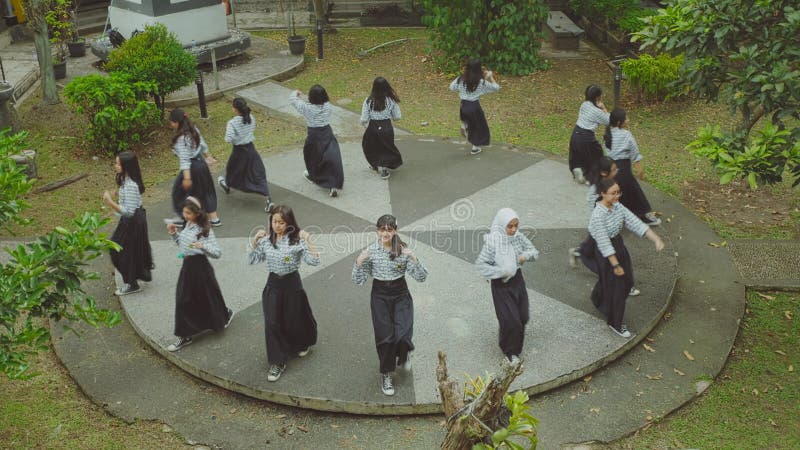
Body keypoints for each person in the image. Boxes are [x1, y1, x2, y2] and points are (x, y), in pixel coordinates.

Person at [352, 214, 427, 396]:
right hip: (380, 295)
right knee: (385, 337)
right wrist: (358, 262)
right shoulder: (370, 251)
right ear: (377, 231)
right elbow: (358, 280)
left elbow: (422, 277)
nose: (385, 233)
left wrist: (414, 258)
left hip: (400, 293)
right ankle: (386, 373)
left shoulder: (402, 250)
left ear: (395, 231)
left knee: (403, 333)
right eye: (382, 229)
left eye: (389, 229)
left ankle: (403, 354)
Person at [248, 205, 320, 382]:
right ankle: (277, 362)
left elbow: (314, 261)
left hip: (292, 284)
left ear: (289, 223)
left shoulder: (296, 240)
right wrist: (255, 241)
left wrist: (309, 241)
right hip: (273, 284)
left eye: (281, 222)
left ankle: (302, 342)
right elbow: (253, 259)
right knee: (272, 322)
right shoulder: (267, 240)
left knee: (294, 319)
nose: (277, 225)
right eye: (274, 221)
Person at [588, 178, 664, 338]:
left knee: (627, 280)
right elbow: (603, 243)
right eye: (613, 193)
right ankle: (615, 323)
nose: (617, 196)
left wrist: (655, 238)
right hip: (605, 251)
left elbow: (635, 222)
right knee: (618, 287)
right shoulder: (597, 215)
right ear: (602, 194)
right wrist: (615, 265)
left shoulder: (617, 206)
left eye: (618, 192)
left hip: (618, 244)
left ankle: (598, 297)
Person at [165, 197, 233, 351]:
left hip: (200, 267)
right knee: (183, 299)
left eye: (188, 212)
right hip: (187, 266)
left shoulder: (205, 230)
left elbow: (217, 253)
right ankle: (185, 335)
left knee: (207, 296)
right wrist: (174, 234)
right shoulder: (187, 225)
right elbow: (182, 246)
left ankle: (223, 315)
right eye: (184, 212)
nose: (184, 215)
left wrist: (203, 246)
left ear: (196, 213)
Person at [475, 208, 539, 364]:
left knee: (523, 316)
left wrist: (525, 256)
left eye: (516, 225)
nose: (513, 229)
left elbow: (534, 251)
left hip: (517, 280)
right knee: (511, 320)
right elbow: (481, 265)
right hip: (501, 284)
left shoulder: (518, 237)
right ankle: (511, 352)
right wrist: (500, 271)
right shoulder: (493, 242)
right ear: (502, 225)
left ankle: (509, 336)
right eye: (509, 226)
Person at [103, 151, 153, 296]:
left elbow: (129, 211)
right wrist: (117, 194)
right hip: (130, 221)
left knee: (121, 251)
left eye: (118, 163)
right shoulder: (125, 179)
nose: (115, 166)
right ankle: (133, 280)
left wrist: (110, 203)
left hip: (132, 223)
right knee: (125, 251)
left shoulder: (131, 184)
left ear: (127, 166)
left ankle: (132, 284)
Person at [604, 108, 661, 226]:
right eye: (626, 118)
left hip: (611, 169)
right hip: (623, 169)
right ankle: (644, 216)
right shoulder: (626, 134)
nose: (628, 120)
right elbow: (635, 154)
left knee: (618, 192)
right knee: (634, 192)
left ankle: (617, 217)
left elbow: (606, 153)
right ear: (620, 122)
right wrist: (640, 170)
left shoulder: (607, 135)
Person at [217, 97, 275, 213]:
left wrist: (235, 137)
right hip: (251, 149)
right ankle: (268, 200)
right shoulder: (251, 118)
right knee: (258, 173)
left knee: (233, 170)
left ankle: (227, 185)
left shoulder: (232, 123)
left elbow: (228, 139)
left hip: (239, 151)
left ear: (234, 109)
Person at [168, 108, 221, 226]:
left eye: (171, 122)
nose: (171, 124)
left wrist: (187, 178)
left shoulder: (182, 138)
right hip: (201, 164)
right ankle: (214, 219)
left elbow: (185, 159)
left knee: (179, 191)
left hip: (192, 168)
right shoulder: (193, 129)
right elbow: (202, 143)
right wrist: (208, 156)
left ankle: (182, 218)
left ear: (177, 122)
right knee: (207, 190)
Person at [290, 85, 345, 197]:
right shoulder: (328, 106)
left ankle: (313, 175)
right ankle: (333, 185)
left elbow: (293, 100)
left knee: (312, 157)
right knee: (331, 159)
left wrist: (296, 92)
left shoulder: (307, 108)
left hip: (314, 135)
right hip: (327, 133)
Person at [449, 58, 500, 155]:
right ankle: (475, 148)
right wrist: (490, 76)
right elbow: (496, 88)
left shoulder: (461, 79)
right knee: (479, 127)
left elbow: (451, 87)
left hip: (463, 106)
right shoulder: (481, 82)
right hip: (474, 107)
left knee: (471, 123)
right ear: (478, 69)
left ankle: (465, 124)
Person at [361, 77, 402, 179]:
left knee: (370, 146)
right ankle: (384, 169)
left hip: (373, 127)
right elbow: (397, 117)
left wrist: (366, 126)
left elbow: (364, 118)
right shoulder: (391, 100)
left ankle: (374, 164)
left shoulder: (369, 100)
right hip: (387, 127)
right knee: (386, 148)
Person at [568, 85, 610, 184]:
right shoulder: (597, 112)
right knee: (597, 155)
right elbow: (609, 121)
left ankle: (578, 169)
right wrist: (603, 107)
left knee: (580, 155)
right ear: (597, 97)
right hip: (586, 136)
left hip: (575, 134)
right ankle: (589, 178)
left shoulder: (584, 104)